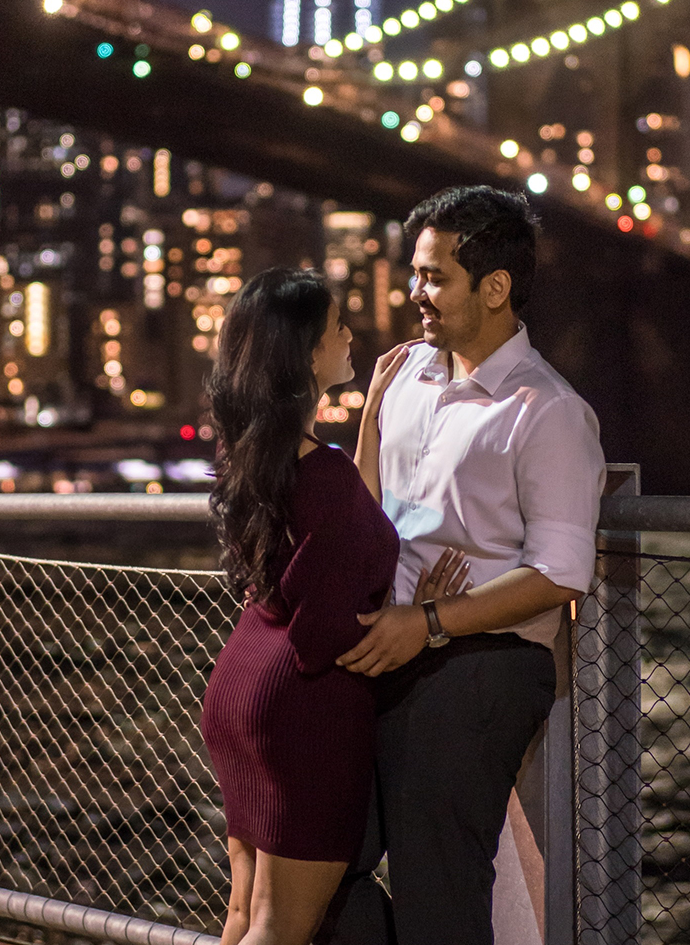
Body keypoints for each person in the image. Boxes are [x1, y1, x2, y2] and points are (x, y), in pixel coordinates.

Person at [322, 186, 607, 945]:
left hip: (481, 669)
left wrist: (434, 620)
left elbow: (560, 572)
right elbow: (365, 513)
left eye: (433, 276)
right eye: (415, 274)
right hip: (386, 646)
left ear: (495, 286)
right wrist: (370, 416)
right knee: (316, 862)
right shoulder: (404, 377)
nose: (415, 292)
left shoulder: (546, 411)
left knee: (437, 893)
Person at [200, 267, 471, 945]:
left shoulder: (265, 458)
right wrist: (417, 616)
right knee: (282, 928)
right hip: (302, 713)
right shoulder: (322, 474)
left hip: (240, 692)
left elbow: (343, 513)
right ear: (306, 353)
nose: (351, 334)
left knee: (241, 919)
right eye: (337, 327)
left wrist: (374, 408)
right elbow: (326, 632)